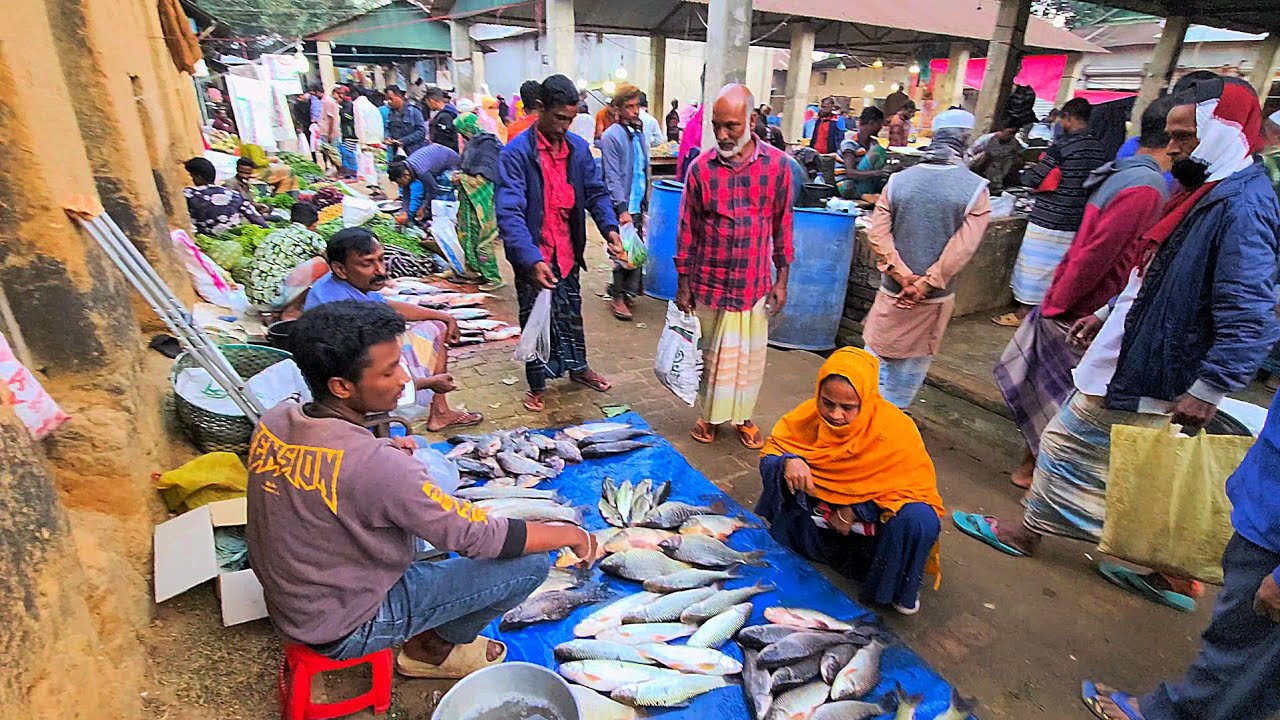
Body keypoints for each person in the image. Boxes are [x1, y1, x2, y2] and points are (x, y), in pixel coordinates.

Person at [953, 75, 1280, 614]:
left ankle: (1028, 532)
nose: (1173, 149)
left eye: (1185, 137)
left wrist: (1210, 385)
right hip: (1139, 350)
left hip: (1160, 367)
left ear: (1222, 132)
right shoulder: (1207, 193)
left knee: (1066, 444)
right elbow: (1153, 274)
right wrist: (1106, 313)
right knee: (1143, 472)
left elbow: (1250, 315)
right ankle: (1173, 573)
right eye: (1172, 137)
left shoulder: (1240, 206)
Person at [245, 300, 595, 679]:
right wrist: (568, 532)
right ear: (341, 386)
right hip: (341, 624)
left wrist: (384, 452)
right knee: (528, 564)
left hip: (292, 600)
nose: (405, 378)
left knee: (430, 490)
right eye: (390, 370)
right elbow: (477, 538)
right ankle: (431, 649)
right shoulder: (375, 467)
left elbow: (328, 474)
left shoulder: (277, 418)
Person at [994, 97, 1174, 490]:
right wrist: (1059, 304)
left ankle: (1033, 468)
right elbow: (1096, 254)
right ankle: (1034, 471)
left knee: (1052, 392)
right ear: (1176, 141)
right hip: (1084, 308)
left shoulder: (1126, 174)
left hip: (1078, 300)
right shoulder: (1144, 188)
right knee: (1060, 397)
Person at [1082, 389, 1280, 720]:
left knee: (1239, 651)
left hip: (1271, 538)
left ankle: (1169, 715)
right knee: (1250, 657)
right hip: (1265, 509)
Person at [757, 347, 944, 615]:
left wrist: (855, 510)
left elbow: (911, 490)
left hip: (868, 537)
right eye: (827, 403)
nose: (835, 415)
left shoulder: (897, 429)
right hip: (817, 525)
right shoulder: (807, 418)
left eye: (848, 407)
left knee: (920, 519)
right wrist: (788, 461)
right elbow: (771, 454)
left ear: (866, 400)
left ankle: (890, 586)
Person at [495, 74, 623, 412]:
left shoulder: (578, 150)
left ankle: (578, 367)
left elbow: (595, 192)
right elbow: (510, 213)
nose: (565, 126)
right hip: (534, 255)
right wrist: (530, 258)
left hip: (566, 250)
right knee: (536, 317)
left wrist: (610, 228)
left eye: (571, 119)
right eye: (559, 118)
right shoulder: (516, 154)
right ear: (540, 109)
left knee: (570, 312)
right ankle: (537, 384)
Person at [676, 84, 793, 449]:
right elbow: (686, 229)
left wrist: (782, 279)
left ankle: (742, 416)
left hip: (753, 281)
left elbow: (782, 226)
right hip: (708, 280)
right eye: (717, 126)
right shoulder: (700, 169)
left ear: (752, 120)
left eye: (732, 126)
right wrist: (683, 283)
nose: (723, 135)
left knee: (747, 360)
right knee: (709, 356)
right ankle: (708, 416)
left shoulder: (777, 167)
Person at [863, 110, 991, 408]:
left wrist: (902, 276)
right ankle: (892, 428)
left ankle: (865, 427)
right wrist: (925, 284)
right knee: (907, 375)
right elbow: (963, 247)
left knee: (872, 367)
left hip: (893, 293)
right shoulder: (975, 189)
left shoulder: (898, 182)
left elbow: (877, 236)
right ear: (965, 140)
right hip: (932, 300)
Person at [304, 228, 483, 431]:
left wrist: (443, 315)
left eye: (381, 260)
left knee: (437, 327)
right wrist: (425, 383)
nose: (380, 270)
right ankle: (432, 409)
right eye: (367, 264)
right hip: (349, 389)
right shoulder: (336, 309)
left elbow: (388, 306)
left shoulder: (352, 286)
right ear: (340, 269)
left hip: (359, 371)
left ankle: (440, 413)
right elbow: (362, 375)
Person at [998, 97, 1106, 325]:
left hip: (1049, 216)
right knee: (1058, 267)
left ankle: (1023, 313)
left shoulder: (1062, 146)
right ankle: (1047, 310)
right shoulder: (1099, 148)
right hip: (1077, 217)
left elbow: (1038, 177)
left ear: (1067, 117)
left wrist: (1024, 176)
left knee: (1034, 266)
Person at [599, 83, 650, 320]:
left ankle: (627, 292)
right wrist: (621, 209)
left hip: (637, 201)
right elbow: (612, 176)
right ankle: (618, 298)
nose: (635, 111)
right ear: (617, 109)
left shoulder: (637, 133)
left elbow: (641, 168)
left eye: (637, 105)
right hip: (622, 204)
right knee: (621, 252)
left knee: (635, 250)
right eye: (629, 107)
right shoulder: (612, 136)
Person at [243, 202, 328, 314]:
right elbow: (331, 259)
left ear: (291, 220)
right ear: (314, 225)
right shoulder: (311, 237)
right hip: (274, 300)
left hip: (253, 298)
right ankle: (291, 312)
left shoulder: (274, 234)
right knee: (322, 264)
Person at [453, 112, 505, 290]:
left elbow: (487, 176)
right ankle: (476, 271)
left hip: (484, 199)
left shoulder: (488, 145)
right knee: (470, 234)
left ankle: (493, 277)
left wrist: (463, 179)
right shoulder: (473, 143)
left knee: (484, 237)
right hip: (469, 201)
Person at [182, 157, 268, 235]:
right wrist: (267, 231)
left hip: (202, 237)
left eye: (191, 176)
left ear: (198, 176)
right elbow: (255, 218)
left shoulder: (189, 194)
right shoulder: (234, 195)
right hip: (231, 237)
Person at [389, 143, 460, 228]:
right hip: (434, 162)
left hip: (450, 163)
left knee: (441, 196)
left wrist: (423, 207)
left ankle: (448, 224)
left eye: (400, 183)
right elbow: (406, 194)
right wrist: (404, 211)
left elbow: (434, 189)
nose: (400, 185)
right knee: (429, 196)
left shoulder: (421, 171)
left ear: (406, 174)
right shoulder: (406, 169)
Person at [835, 106, 889, 201]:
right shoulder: (850, 143)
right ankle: (865, 194)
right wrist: (878, 173)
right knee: (877, 151)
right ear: (871, 123)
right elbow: (850, 173)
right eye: (879, 124)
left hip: (862, 182)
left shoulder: (872, 143)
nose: (880, 128)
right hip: (848, 186)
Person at [967, 116, 1026, 193]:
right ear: (1002, 130)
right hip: (984, 170)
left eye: (1014, 133)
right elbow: (971, 153)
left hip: (1003, 173)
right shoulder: (986, 140)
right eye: (1010, 133)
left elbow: (1021, 155)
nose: (1012, 136)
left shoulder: (1015, 143)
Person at [384, 85, 428, 160]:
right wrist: (388, 138)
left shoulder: (414, 111)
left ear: (399, 96)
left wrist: (403, 141)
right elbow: (387, 128)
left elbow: (421, 131)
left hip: (414, 153)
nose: (389, 102)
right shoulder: (390, 113)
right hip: (397, 153)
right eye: (387, 99)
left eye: (391, 99)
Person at [316, 85, 343, 174]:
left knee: (333, 152)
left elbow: (331, 119)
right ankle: (334, 170)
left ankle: (339, 171)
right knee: (329, 152)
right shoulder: (326, 102)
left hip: (329, 132)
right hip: (325, 131)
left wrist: (330, 134)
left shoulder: (328, 102)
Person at [424, 86, 460, 152]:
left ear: (431, 101)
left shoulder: (445, 116)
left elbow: (444, 138)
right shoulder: (447, 113)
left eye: (427, 103)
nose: (428, 105)